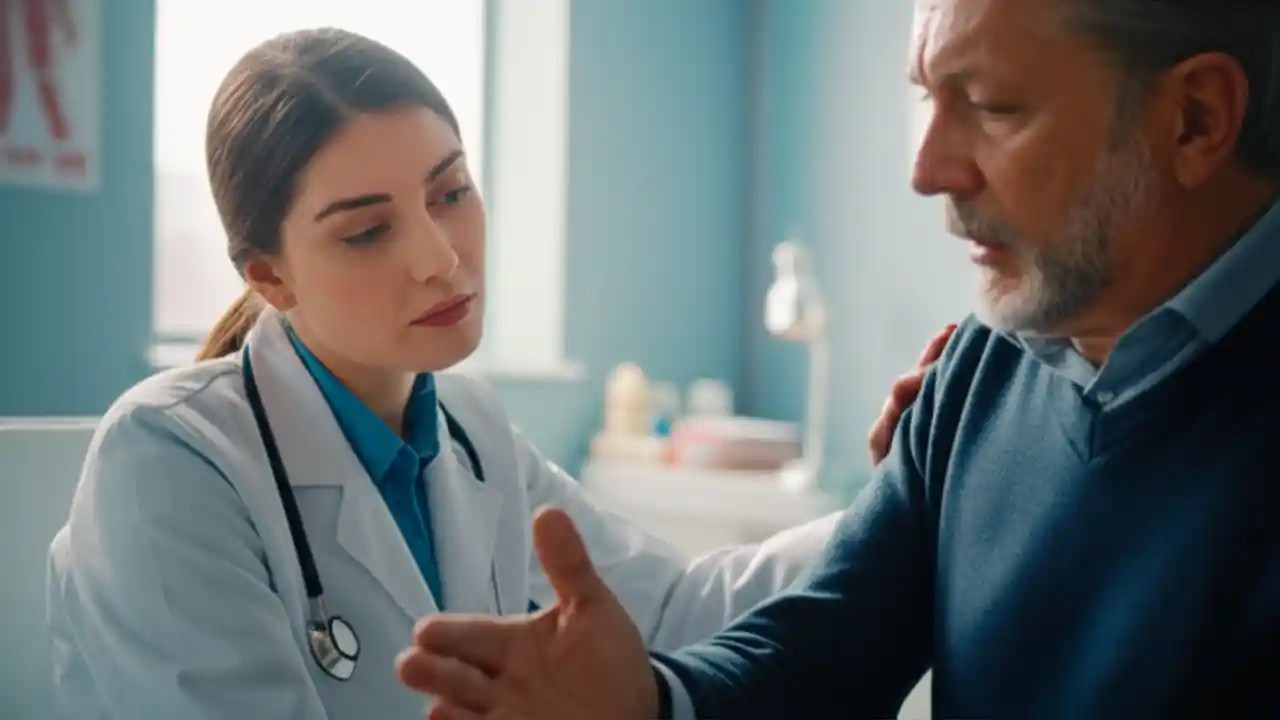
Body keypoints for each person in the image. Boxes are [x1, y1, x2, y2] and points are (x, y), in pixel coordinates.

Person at [397, 0, 1280, 717]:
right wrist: (650, 702)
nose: (927, 169)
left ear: (1195, 119)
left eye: (993, 107)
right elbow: (823, 647)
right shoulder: (979, 372)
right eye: (926, 98)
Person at [42, 27, 950, 718]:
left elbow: (678, 609)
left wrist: (919, 489)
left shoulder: (468, 429)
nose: (440, 258)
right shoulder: (169, 461)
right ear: (269, 276)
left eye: (450, 192)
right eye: (368, 231)